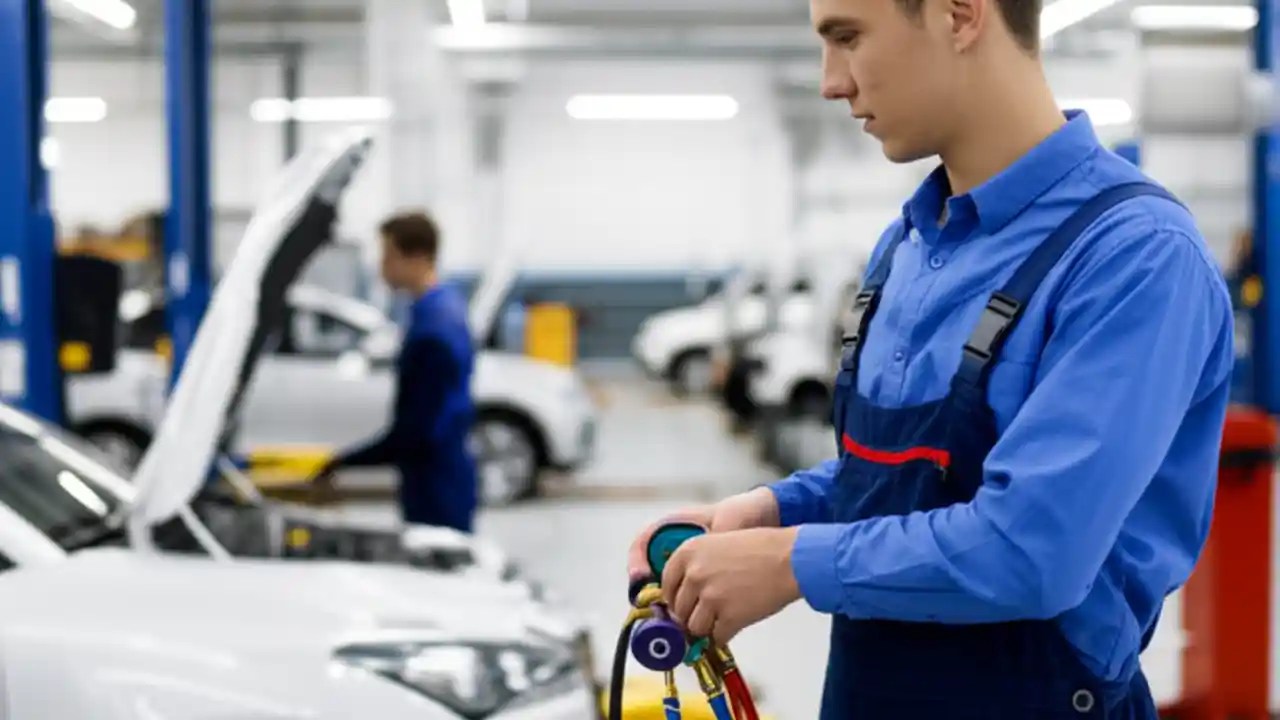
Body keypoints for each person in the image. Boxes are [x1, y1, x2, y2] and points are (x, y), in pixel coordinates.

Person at [627, 0, 1235, 717]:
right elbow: (922, 476)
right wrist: (771, 512)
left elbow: (1030, 549)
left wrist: (790, 563)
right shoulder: (910, 247)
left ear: (959, 13)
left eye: (848, 38)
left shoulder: (1133, 258)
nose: (831, 81)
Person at [313, 211, 479, 534]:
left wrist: (344, 463)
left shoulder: (434, 329)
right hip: (438, 475)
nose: (381, 266)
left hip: (435, 484)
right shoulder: (440, 309)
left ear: (417, 258)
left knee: (436, 573)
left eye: (388, 255)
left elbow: (417, 429)